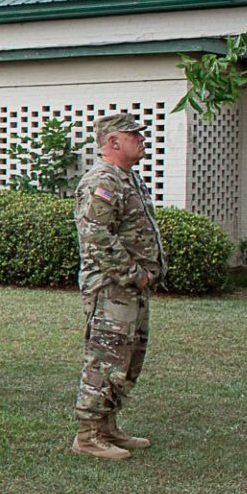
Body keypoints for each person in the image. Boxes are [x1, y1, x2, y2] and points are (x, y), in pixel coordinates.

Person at [71, 111, 165, 460]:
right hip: (111, 287)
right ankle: (87, 435)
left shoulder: (128, 178)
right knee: (105, 358)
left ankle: (107, 426)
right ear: (113, 141)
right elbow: (95, 235)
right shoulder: (103, 180)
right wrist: (134, 273)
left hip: (130, 289)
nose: (142, 140)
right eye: (133, 135)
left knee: (127, 358)